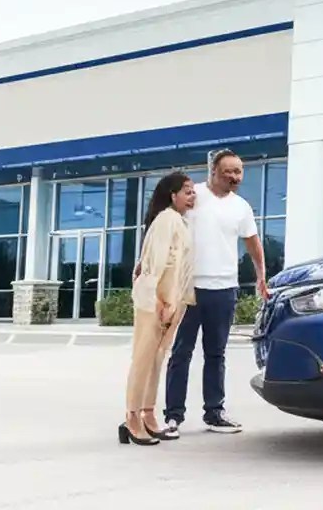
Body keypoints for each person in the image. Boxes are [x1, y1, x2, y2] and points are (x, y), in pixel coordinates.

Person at [162, 149, 267, 436]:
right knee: (181, 352)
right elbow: (166, 225)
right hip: (189, 288)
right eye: (228, 171)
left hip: (224, 289)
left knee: (216, 354)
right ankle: (173, 416)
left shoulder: (241, 207)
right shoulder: (193, 195)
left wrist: (261, 275)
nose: (234, 177)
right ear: (213, 171)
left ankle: (214, 413)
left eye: (238, 171)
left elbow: (253, 242)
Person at [120, 171, 196, 447]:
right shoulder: (166, 220)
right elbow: (157, 263)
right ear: (172, 195)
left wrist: (177, 301)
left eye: (193, 191)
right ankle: (131, 418)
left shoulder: (180, 221)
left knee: (156, 358)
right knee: (143, 358)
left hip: (173, 300)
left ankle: (148, 413)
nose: (193, 196)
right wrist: (161, 301)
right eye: (187, 191)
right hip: (156, 301)